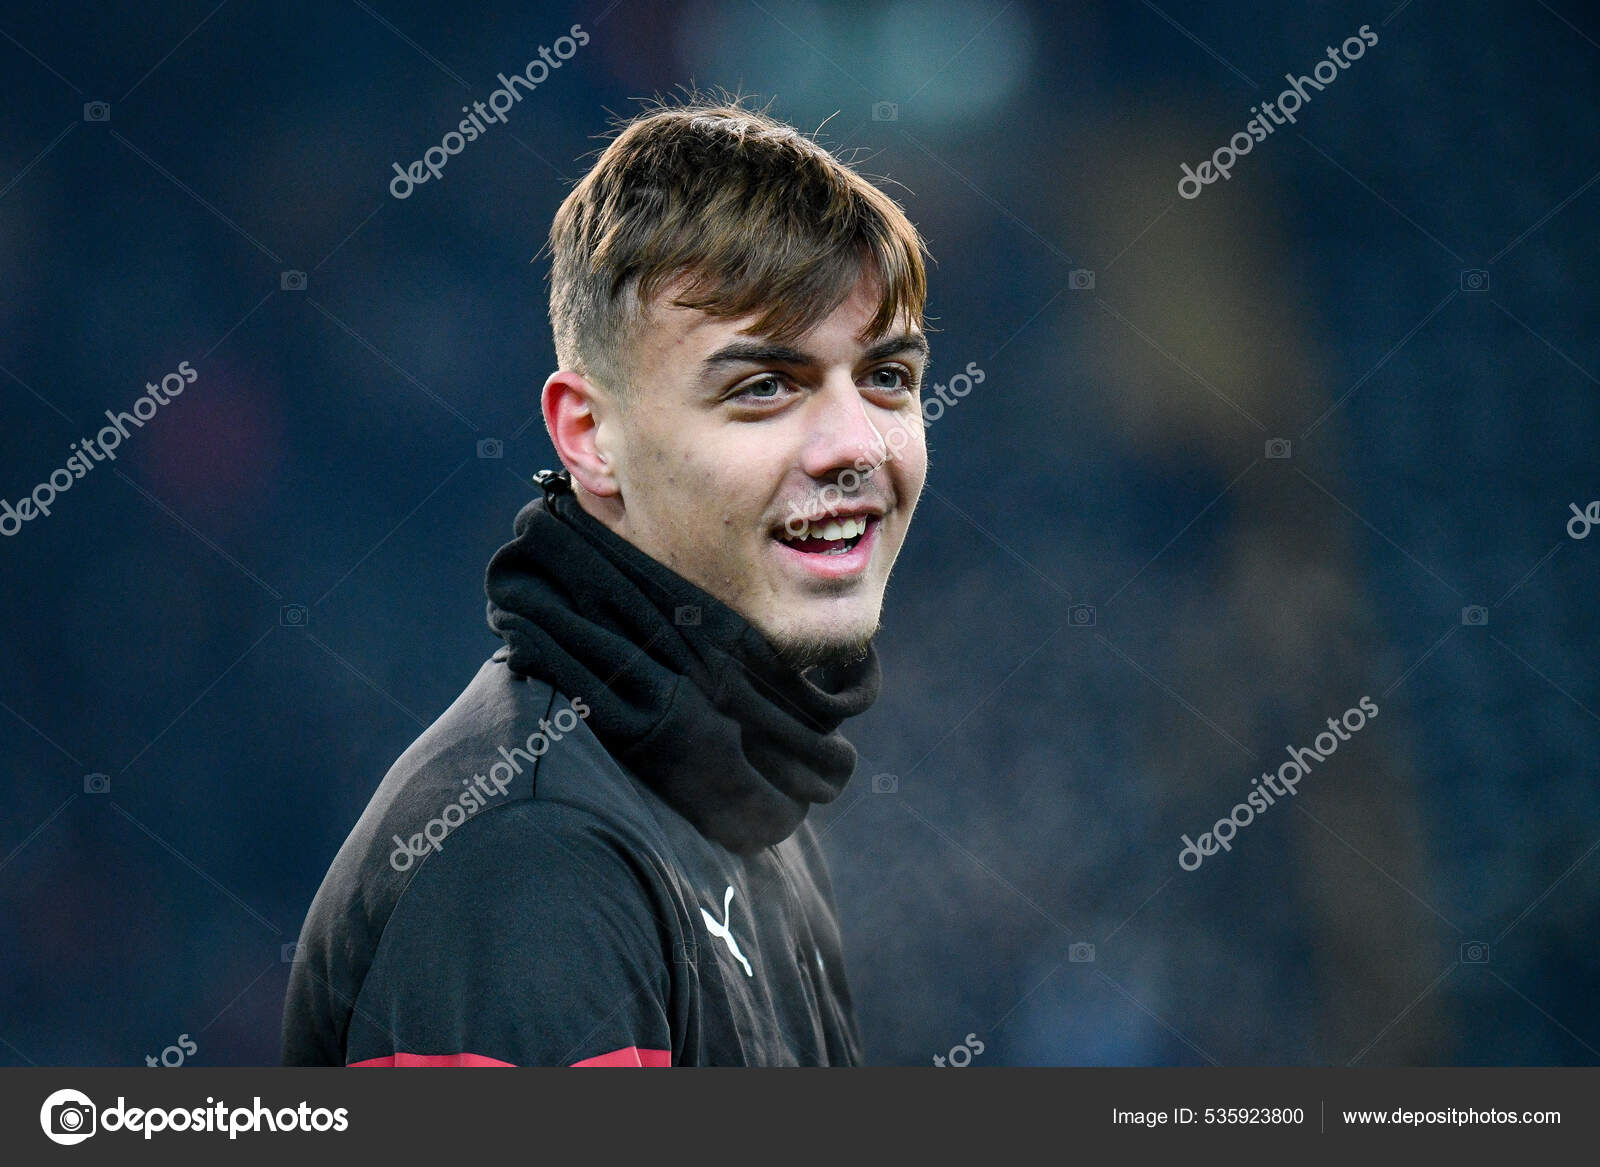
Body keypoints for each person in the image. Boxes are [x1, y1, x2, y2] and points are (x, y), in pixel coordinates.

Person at [281, 97, 931, 1066]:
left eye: (886, 378)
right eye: (764, 387)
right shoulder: (530, 861)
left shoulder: (747, 800)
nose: (856, 446)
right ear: (591, 438)